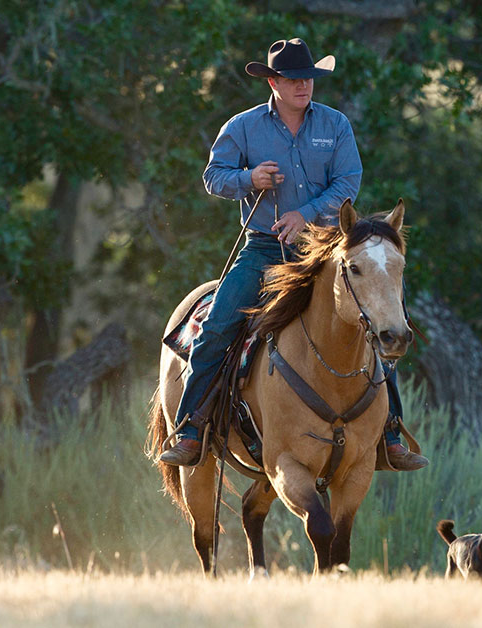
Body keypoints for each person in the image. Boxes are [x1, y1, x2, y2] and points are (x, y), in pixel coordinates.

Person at [158, 38, 428, 471]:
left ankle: (389, 432)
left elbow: (347, 183)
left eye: (308, 78)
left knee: (383, 320)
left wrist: (305, 215)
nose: (303, 85)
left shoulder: (335, 125)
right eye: (292, 78)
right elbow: (213, 177)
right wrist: (249, 177)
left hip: (325, 250)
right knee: (219, 324)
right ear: (273, 81)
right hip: (265, 247)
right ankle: (191, 429)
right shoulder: (244, 127)